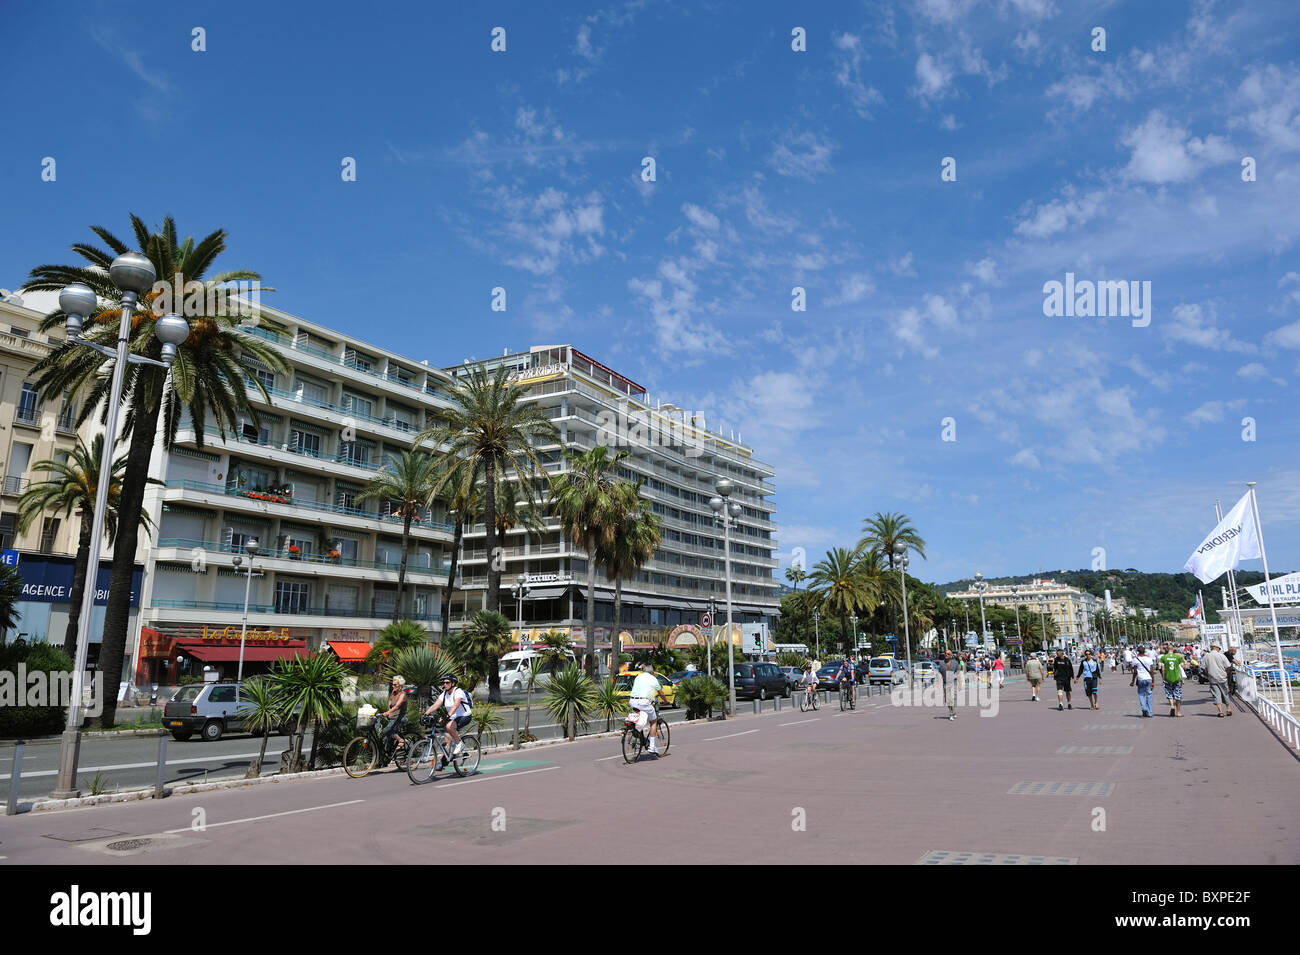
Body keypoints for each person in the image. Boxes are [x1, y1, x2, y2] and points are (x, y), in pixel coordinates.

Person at [424, 674, 473, 765]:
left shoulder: (458, 692)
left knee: (449, 726)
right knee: (447, 739)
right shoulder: (444, 694)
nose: (445, 684)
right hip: (453, 717)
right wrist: (425, 714)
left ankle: (460, 744)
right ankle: (444, 761)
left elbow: (456, 705)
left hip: (464, 716)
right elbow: (436, 705)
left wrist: (447, 716)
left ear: (453, 683)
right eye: (444, 683)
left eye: (447, 682)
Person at [628, 663, 669, 757]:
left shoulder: (638, 677)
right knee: (653, 721)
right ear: (652, 672)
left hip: (632, 701)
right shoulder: (653, 679)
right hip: (644, 702)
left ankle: (639, 733)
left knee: (640, 715)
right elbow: (661, 693)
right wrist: (666, 701)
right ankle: (652, 746)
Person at [1201, 643, 1233, 717]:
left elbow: (1203, 668)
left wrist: (1208, 675)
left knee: (1216, 694)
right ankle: (1228, 709)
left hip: (1212, 678)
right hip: (1222, 677)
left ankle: (1220, 712)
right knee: (1225, 693)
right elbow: (1228, 667)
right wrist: (1226, 674)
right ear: (1217, 648)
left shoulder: (1206, 656)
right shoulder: (1222, 656)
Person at [1156, 643, 1185, 717]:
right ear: (1173, 649)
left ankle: (1172, 705)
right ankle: (1178, 712)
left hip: (1167, 678)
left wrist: (1163, 678)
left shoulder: (1164, 657)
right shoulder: (1178, 657)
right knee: (1178, 695)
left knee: (1169, 694)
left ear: (1167, 649)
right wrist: (1182, 678)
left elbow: (1162, 669)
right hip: (1177, 678)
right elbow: (1181, 668)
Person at [382, 675, 409, 754]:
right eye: (392, 684)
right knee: (385, 738)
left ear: (400, 685)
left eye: (395, 685)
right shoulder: (393, 692)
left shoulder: (402, 694)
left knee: (386, 730)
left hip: (400, 718)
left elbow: (397, 706)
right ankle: (388, 754)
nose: (393, 686)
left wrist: (388, 712)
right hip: (393, 718)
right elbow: (390, 702)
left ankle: (401, 740)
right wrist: (389, 712)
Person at [937, 649, 962, 720]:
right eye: (945, 653)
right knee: (947, 700)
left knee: (953, 698)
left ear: (951, 655)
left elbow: (958, 674)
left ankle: (952, 713)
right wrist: (939, 683)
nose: (946, 655)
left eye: (948, 654)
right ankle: (952, 712)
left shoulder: (955, 663)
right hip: (945, 683)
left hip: (953, 682)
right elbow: (940, 673)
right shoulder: (941, 663)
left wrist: (960, 684)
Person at [1131, 645, 1155, 717]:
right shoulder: (1149, 659)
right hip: (1148, 679)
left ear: (1138, 652)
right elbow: (1151, 671)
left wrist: (1132, 681)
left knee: (1141, 694)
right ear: (1144, 651)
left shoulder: (1135, 659)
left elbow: (1135, 672)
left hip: (1140, 679)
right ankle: (1150, 712)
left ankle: (1144, 708)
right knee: (1149, 695)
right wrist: (1153, 681)